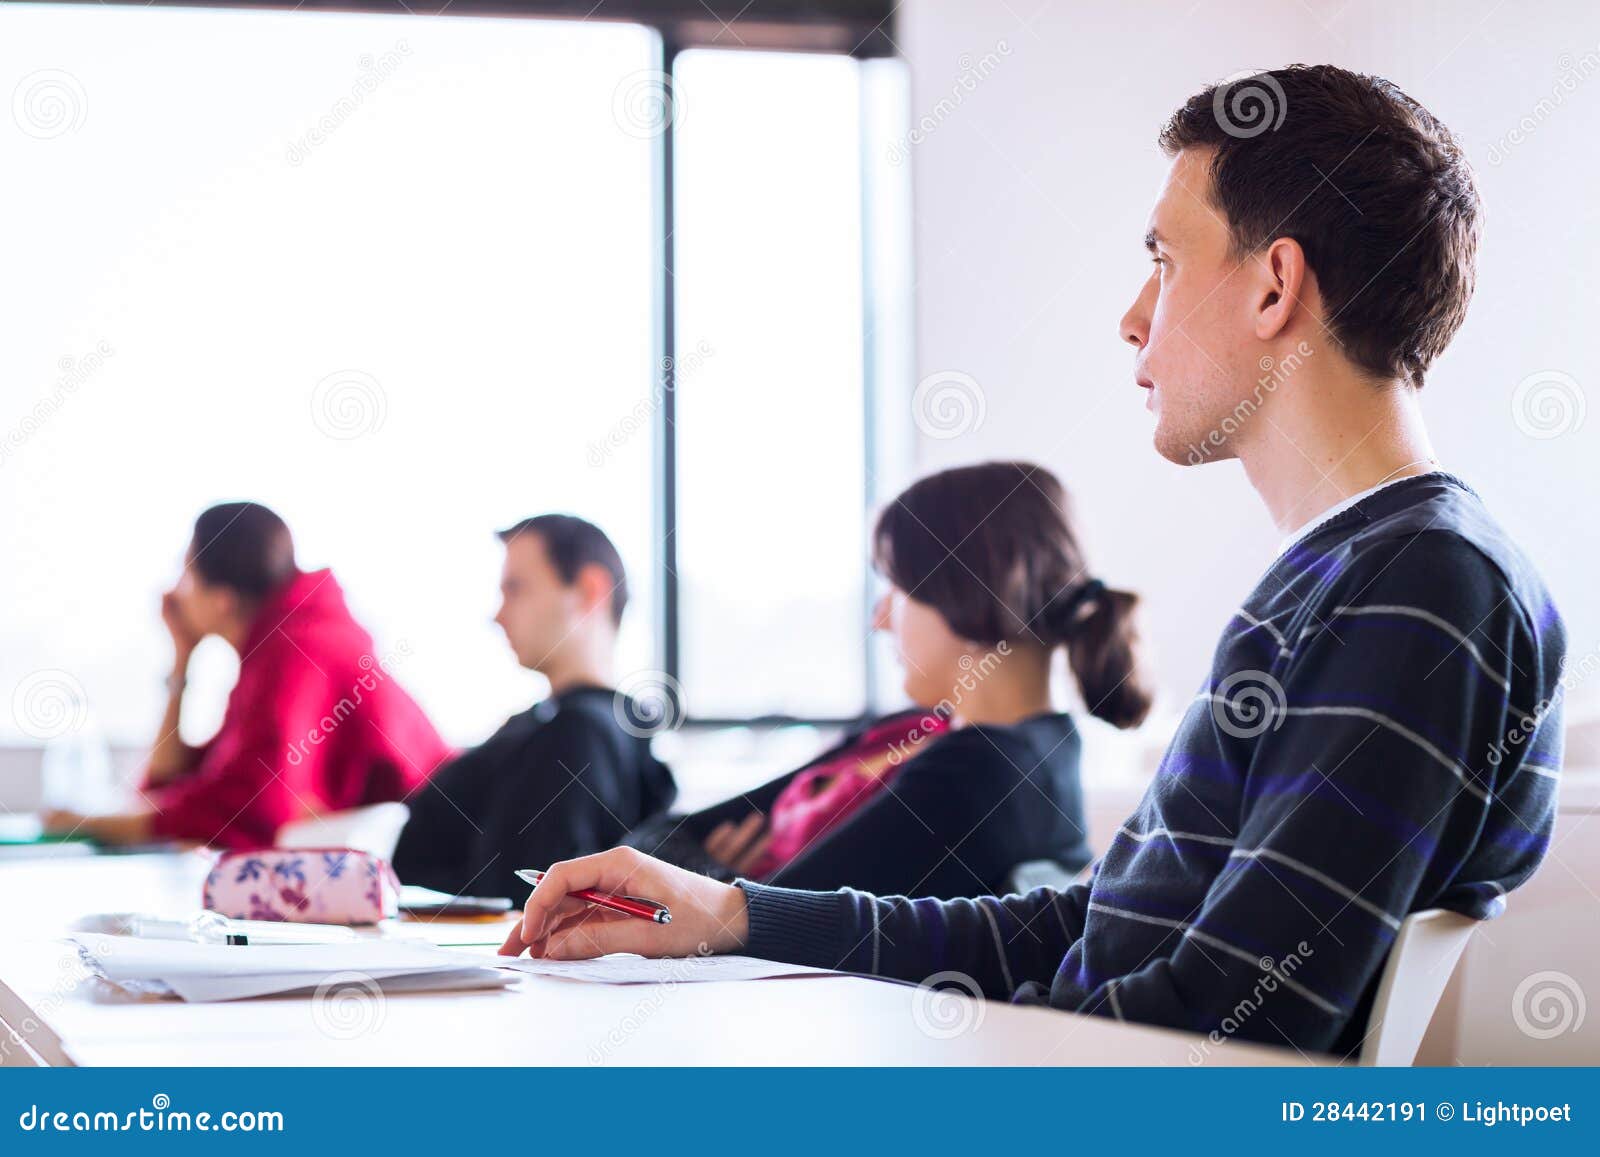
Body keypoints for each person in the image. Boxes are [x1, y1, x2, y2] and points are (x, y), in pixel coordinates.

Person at [500, 65, 1568, 1058]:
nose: (1132, 316)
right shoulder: (1357, 575)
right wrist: (729, 913)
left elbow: (1236, 1027)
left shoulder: (1419, 585)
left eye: (1161, 258)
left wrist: (925, 1055)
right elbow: (1088, 925)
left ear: (1272, 284)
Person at [626, 461, 1151, 899]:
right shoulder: (931, 732)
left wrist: (716, 875)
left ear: (964, 598)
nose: (879, 619)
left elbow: (764, 921)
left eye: (896, 590)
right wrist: (720, 882)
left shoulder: (980, 771)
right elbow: (656, 843)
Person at [44, 502, 450, 850]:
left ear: (221, 600)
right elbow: (174, 783)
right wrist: (182, 661)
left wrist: (93, 824)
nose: (174, 593)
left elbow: (251, 809)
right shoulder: (274, 646)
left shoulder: (299, 649)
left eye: (184, 573)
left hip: (435, 857)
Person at [392, 515, 676, 904]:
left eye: (516, 588)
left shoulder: (577, 733)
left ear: (590, 590)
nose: (497, 614)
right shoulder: (582, 727)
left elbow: (524, 901)